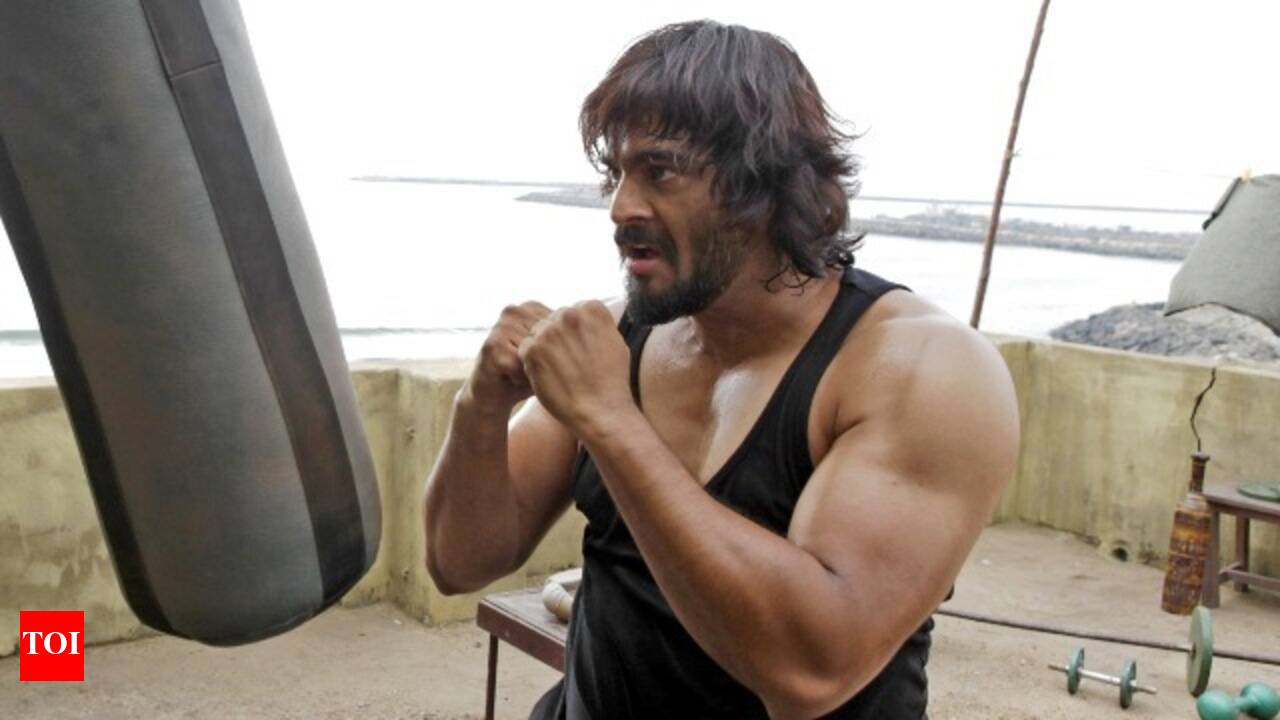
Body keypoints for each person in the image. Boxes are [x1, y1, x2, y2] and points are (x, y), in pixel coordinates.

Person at [424, 20, 1019, 719]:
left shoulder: (920, 369)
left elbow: (810, 671)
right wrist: (481, 406)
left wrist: (611, 421)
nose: (620, 207)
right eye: (617, 173)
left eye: (660, 171)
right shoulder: (620, 339)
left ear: (761, 182)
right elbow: (459, 562)